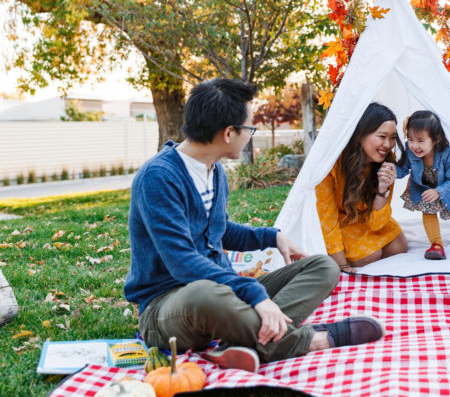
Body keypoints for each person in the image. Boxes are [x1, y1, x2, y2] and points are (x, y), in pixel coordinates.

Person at [124, 78, 383, 373]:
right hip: (169, 306)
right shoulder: (158, 177)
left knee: (323, 266)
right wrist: (254, 294)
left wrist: (272, 237)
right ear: (228, 133)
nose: (250, 134)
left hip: (223, 290)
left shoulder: (214, 170)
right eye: (249, 128)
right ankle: (312, 339)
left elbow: (217, 230)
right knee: (206, 293)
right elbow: (182, 262)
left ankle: (249, 338)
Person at [316, 102, 408, 272]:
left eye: (393, 137)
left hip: (367, 219)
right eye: (382, 136)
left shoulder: (388, 160)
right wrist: (340, 263)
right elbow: (327, 218)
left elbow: (377, 223)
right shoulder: (332, 163)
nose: (388, 144)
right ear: (360, 135)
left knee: (399, 246)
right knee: (369, 256)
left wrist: (382, 190)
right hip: (341, 222)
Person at [395, 110, 450, 260]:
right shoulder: (410, 150)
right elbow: (402, 169)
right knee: (428, 210)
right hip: (426, 186)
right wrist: (392, 170)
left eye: (421, 141)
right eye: (410, 139)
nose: (415, 145)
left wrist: (439, 191)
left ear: (436, 139)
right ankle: (436, 244)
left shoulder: (447, 153)